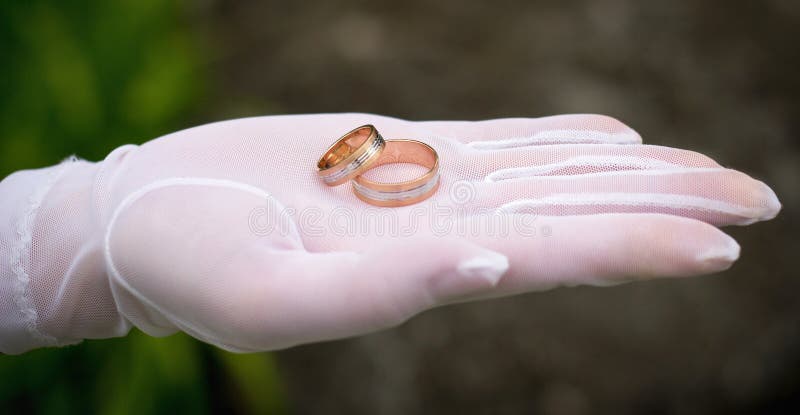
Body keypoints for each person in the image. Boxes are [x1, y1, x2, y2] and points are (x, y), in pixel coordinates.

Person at [0, 113, 781, 354]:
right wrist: (78, 234)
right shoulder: (362, 161)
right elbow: (357, 159)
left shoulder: (384, 156)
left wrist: (58, 226)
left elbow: (374, 155)